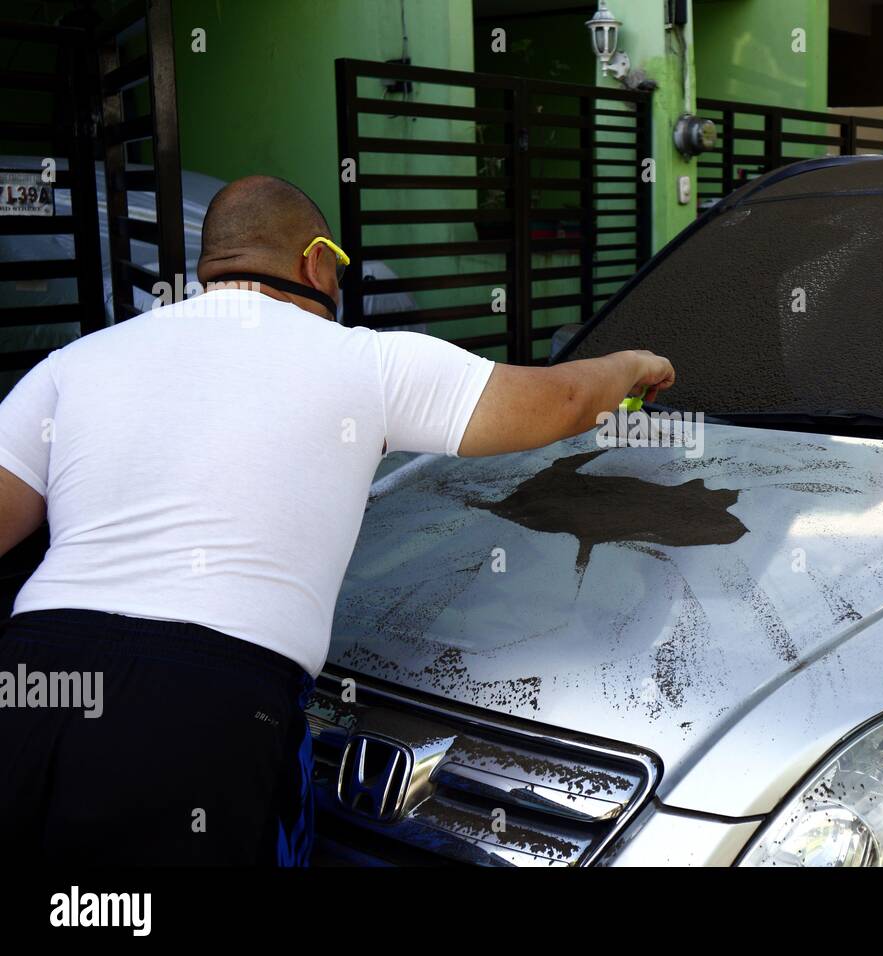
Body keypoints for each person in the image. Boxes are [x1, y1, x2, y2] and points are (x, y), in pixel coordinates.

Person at [0, 175, 674, 865]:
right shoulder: (365, 362)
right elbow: (556, 401)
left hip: (32, 674)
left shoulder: (76, 363)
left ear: (212, 269)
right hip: (204, 704)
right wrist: (632, 363)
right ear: (316, 262)